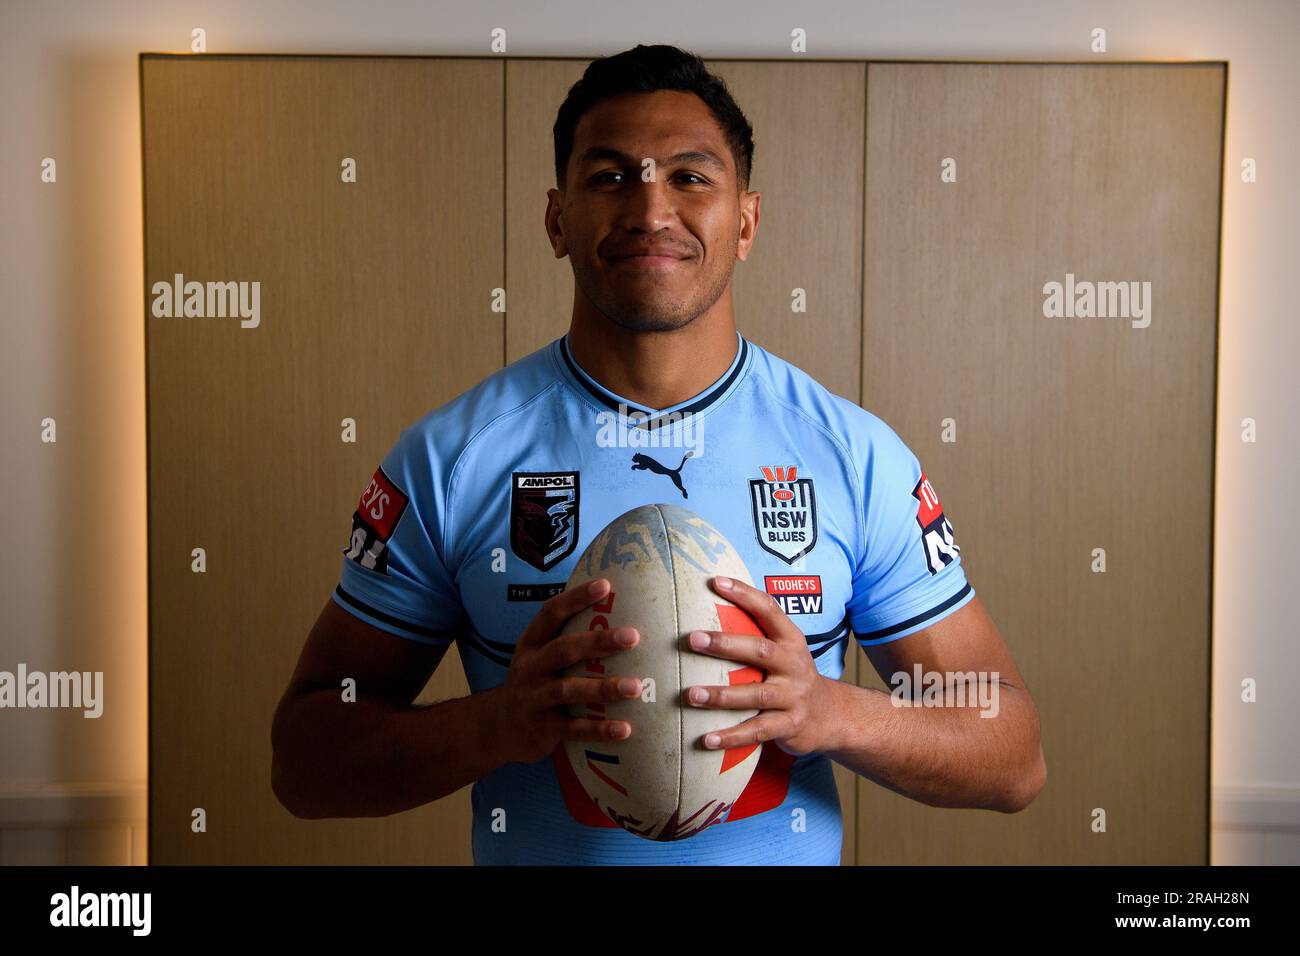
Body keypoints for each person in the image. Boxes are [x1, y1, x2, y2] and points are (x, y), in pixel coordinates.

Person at [271, 43, 1045, 865]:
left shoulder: (851, 456)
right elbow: (306, 759)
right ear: (556, 221)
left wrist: (828, 710)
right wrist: (497, 724)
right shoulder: (452, 459)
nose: (649, 210)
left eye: (690, 176)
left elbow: (1013, 754)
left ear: (744, 221)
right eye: (609, 177)